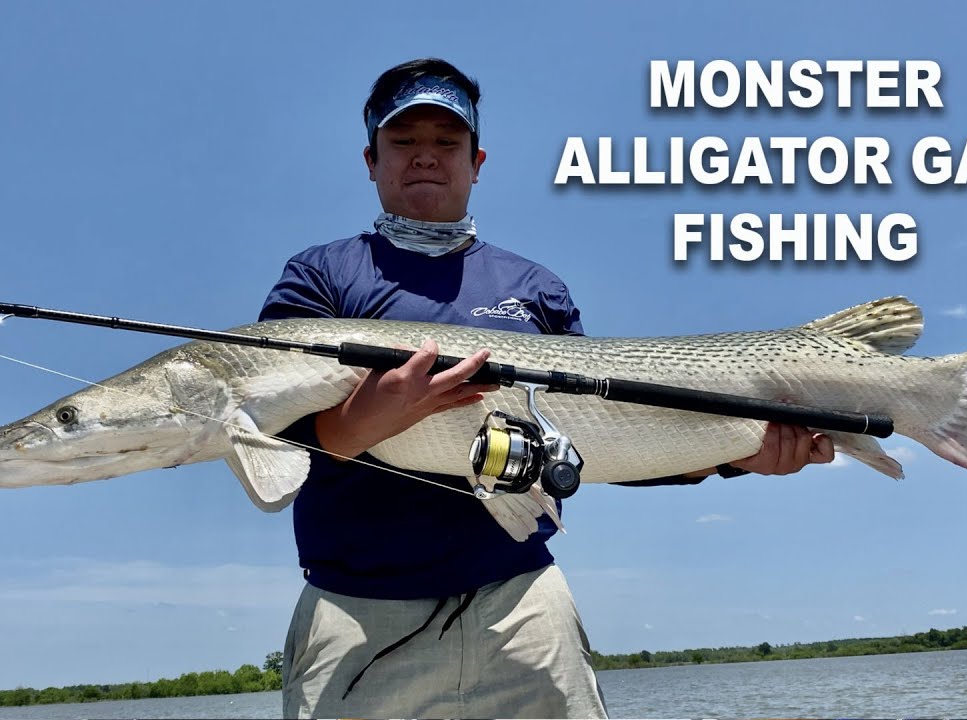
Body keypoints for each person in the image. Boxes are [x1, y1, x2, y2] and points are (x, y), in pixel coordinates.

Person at [258, 58, 835, 719]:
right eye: (404, 141)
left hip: (524, 603)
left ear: (477, 162)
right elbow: (268, 436)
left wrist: (737, 456)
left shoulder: (536, 287)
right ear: (371, 159)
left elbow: (598, 436)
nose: (426, 158)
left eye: (447, 143)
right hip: (354, 615)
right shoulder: (319, 277)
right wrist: (362, 421)